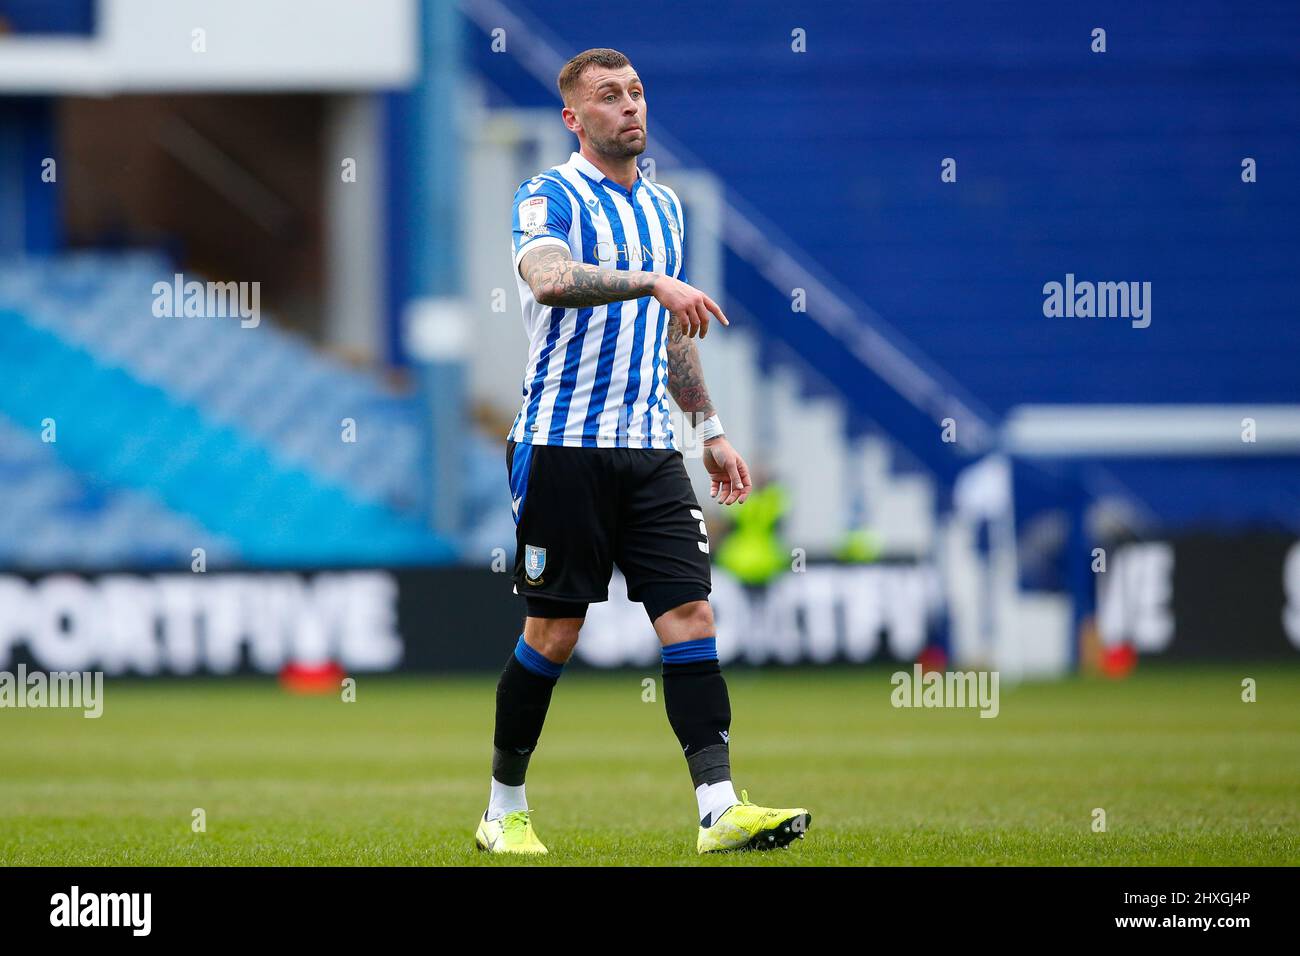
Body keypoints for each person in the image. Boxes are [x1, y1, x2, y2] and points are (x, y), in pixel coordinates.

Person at [474, 47, 811, 856]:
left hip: (650, 449)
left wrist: (710, 431)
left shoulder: (665, 208)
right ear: (573, 117)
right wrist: (652, 283)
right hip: (561, 443)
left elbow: (668, 336)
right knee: (555, 632)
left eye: (636, 92)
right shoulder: (546, 193)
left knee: (691, 613)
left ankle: (718, 808)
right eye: (608, 96)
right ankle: (503, 808)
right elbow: (551, 279)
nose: (629, 106)